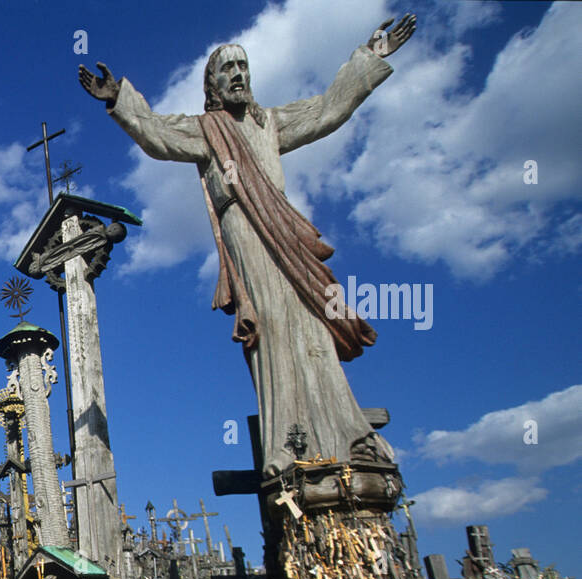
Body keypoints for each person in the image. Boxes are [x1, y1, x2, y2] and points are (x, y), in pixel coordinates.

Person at [78, 16, 416, 478]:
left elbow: (327, 110)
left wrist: (369, 58)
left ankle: (344, 429)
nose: (238, 74)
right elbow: (157, 135)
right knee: (272, 329)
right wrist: (119, 100)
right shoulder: (206, 129)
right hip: (246, 232)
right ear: (213, 84)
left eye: (243, 66)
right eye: (227, 69)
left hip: (284, 231)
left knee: (313, 326)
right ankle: (286, 442)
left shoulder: (270, 123)